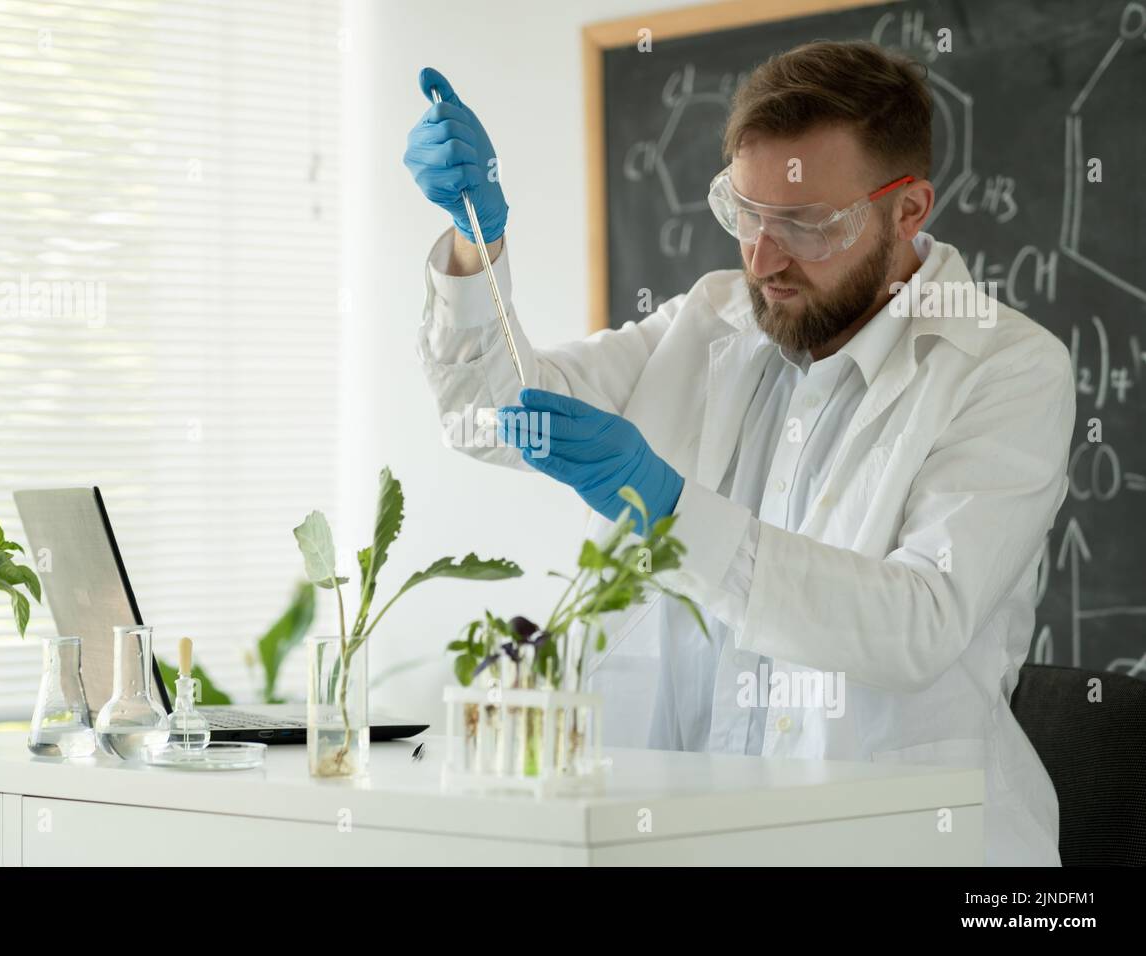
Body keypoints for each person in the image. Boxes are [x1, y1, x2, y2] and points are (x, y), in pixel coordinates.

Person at [403, 41, 1074, 866]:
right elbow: (486, 413)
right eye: (747, 213)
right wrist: (476, 248)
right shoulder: (708, 318)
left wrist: (674, 511)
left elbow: (918, 624)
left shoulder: (1006, 368)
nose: (762, 258)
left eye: (807, 223)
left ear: (909, 211)